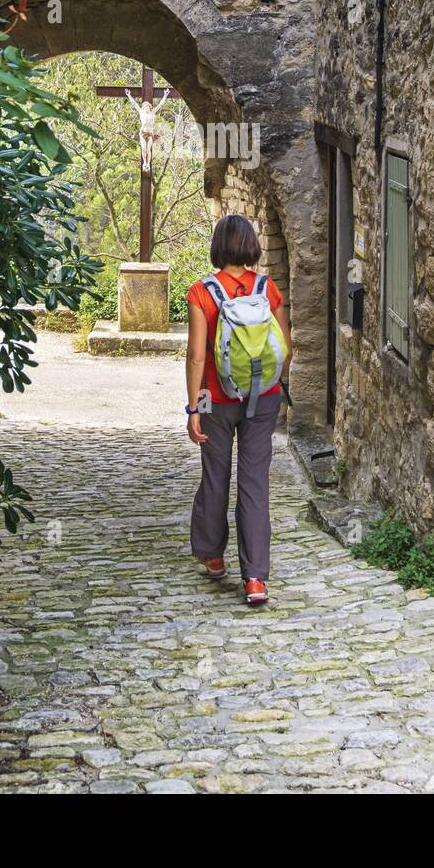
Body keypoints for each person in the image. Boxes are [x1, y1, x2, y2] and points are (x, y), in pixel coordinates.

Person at [185, 214, 292, 606]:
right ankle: (255, 580)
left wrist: (193, 407)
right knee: (255, 482)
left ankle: (214, 557)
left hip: (215, 399)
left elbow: (197, 356)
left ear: (217, 246)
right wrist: (264, 388)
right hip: (261, 400)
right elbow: (286, 350)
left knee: (216, 476)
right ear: (250, 246)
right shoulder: (268, 290)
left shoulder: (202, 292)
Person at [125, 86, 170, 173]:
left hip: (150, 133)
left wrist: (165, 95)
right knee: (144, 149)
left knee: (148, 150)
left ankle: (148, 164)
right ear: (143, 107)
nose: (146, 108)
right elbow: (134, 104)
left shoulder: (152, 113)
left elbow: (160, 104)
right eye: (144, 106)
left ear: (149, 107)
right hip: (143, 132)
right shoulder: (141, 112)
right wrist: (129, 95)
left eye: (147, 106)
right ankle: (144, 163)